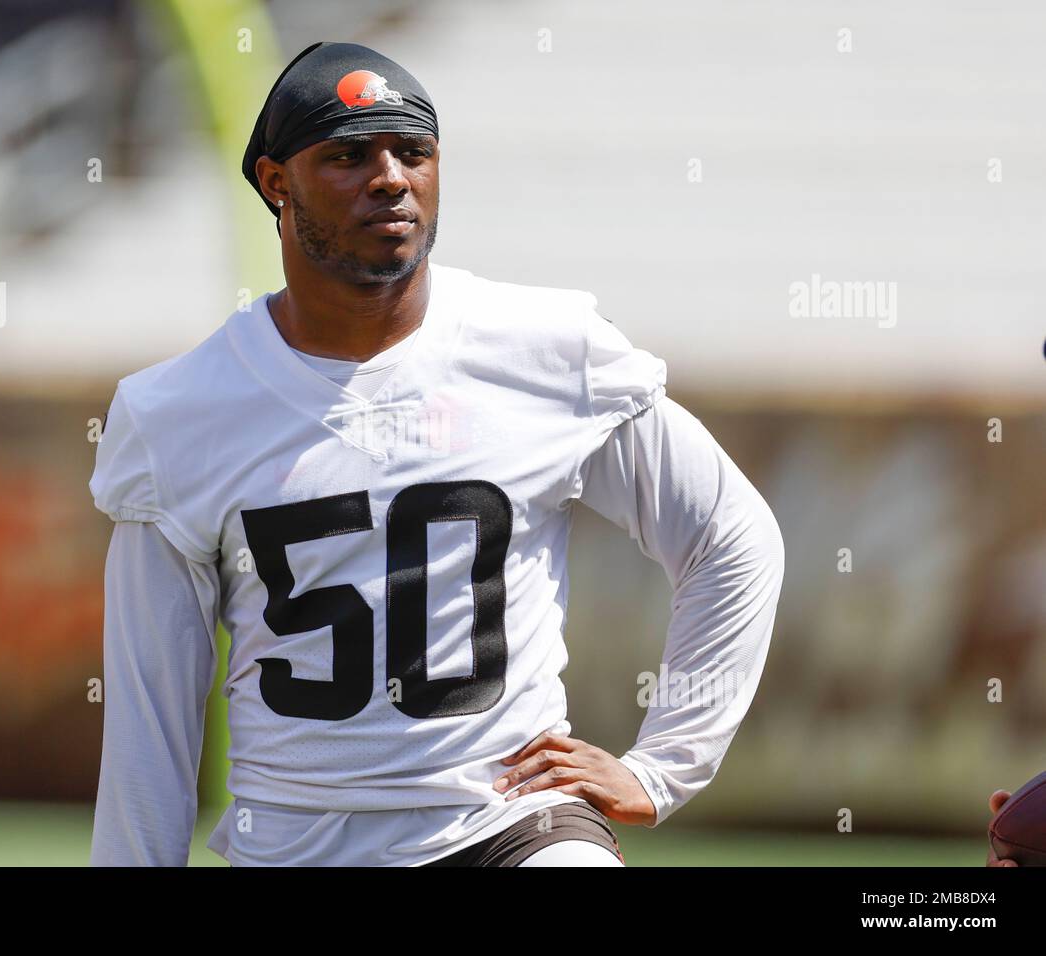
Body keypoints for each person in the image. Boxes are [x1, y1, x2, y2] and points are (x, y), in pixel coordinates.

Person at [87, 41, 784, 866]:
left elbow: (730, 535)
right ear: (276, 182)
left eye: (413, 152)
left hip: (509, 825)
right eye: (349, 155)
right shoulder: (179, 413)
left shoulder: (546, 350)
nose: (390, 177)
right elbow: (148, 710)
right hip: (294, 841)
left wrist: (664, 766)